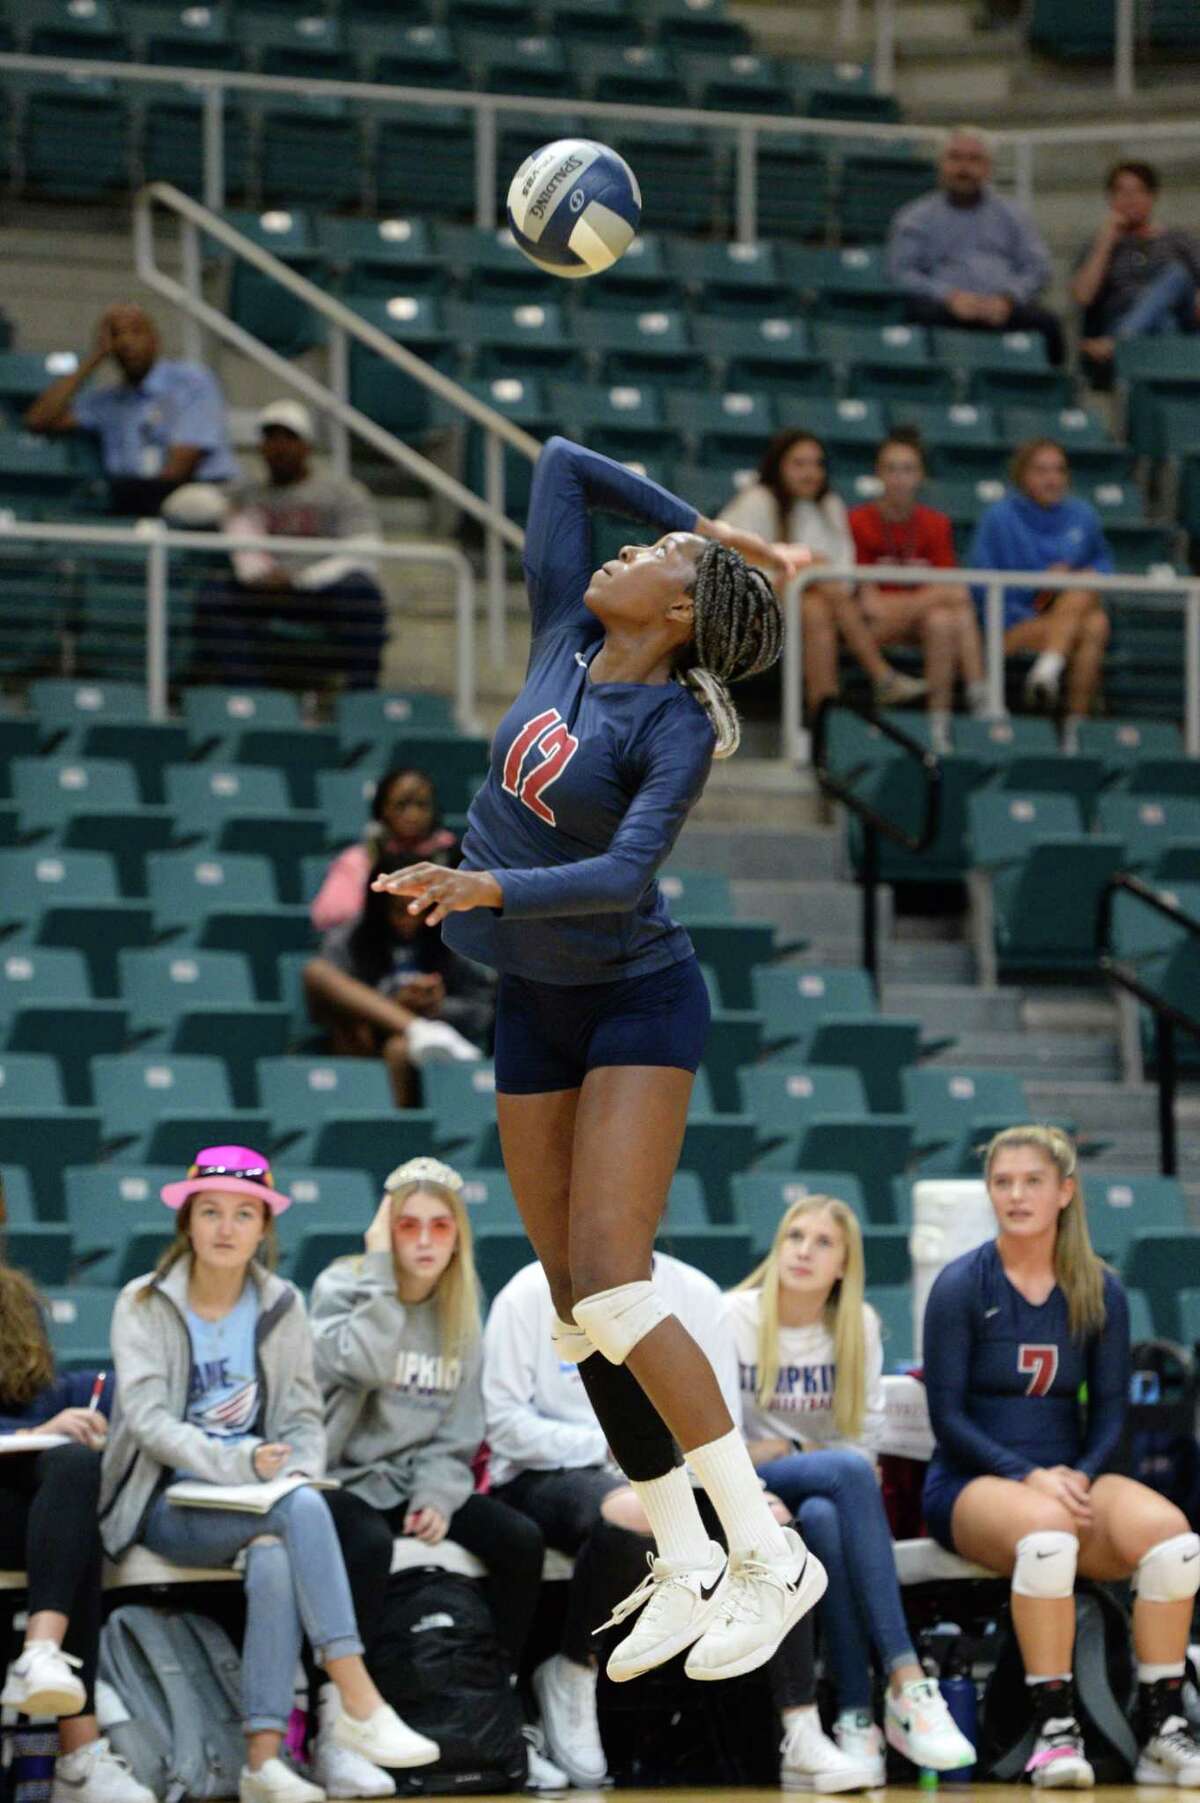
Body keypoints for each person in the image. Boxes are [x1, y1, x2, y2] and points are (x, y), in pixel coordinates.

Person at [371, 435, 826, 1691]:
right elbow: (566, 463)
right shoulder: (563, 638)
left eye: (658, 556)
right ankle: (680, 1554)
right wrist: (715, 534)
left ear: (678, 615)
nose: (624, 551)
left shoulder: (674, 725)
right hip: (535, 1000)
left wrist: (485, 882)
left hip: (635, 996)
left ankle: (767, 1553)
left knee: (621, 1287)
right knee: (576, 1307)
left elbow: (626, 876)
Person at [100, 1144, 440, 1803]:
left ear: (264, 1227)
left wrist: (299, 1470)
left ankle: (261, 1760)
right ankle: (358, 1696)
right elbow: (147, 1421)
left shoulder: (281, 1302)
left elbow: (304, 1416)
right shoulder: (141, 1302)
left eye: (243, 1214)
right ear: (187, 1222)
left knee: (278, 1551)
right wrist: (242, 1466)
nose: (226, 1227)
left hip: (258, 1496)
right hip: (166, 1500)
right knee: (298, 1514)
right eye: (211, 1211)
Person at [484, 1248, 835, 1790]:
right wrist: (606, 1447)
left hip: (669, 1464)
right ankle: (574, 1668)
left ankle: (801, 1726)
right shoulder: (525, 1292)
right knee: (634, 1509)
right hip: (547, 1471)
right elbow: (506, 1425)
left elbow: (720, 1421)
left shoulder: (696, 1291)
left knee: (776, 1515)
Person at [923, 1124, 1200, 1789]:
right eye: (1002, 1181)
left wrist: (1078, 1471)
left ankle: (1163, 1727)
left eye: (1032, 1180)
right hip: (973, 1482)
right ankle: (1055, 1728)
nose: (1015, 1194)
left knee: (1174, 1539)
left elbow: (1110, 1413)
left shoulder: (1100, 1288)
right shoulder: (961, 1285)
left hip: (1068, 1477)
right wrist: (1029, 1474)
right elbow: (948, 1419)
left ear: (1065, 1192)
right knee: (1046, 1533)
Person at [309, 1157, 564, 1793]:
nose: (424, 1241)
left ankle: (493, 1705)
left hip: (413, 1480)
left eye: (440, 1227)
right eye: (407, 1227)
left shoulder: (460, 1311)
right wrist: (378, 1273)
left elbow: (458, 1435)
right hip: (335, 1480)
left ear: (458, 1235)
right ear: (384, 1232)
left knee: (518, 1540)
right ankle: (338, 1722)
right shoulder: (342, 1287)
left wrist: (437, 1496)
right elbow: (365, 1365)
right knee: (364, 1545)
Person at [727, 1195, 975, 1786]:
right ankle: (905, 1680)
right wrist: (790, 1454)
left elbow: (862, 1440)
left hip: (815, 1489)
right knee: (847, 1475)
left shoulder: (856, 1324)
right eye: (794, 1237)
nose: (804, 1252)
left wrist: (801, 1457)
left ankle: (856, 1720)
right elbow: (720, 1441)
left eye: (822, 1243)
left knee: (825, 1519)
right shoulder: (732, 1316)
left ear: (843, 1264)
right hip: (739, 1482)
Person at [0, 1256, 152, 1803]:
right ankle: (77, 1753)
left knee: (76, 1476)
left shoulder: (15, 1298)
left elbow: (34, 1392)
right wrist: (37, 1430)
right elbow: (29, 1420)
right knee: (70, 1525)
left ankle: (43, 1654)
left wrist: (97, 1400)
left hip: (16, 1498)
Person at [719, 431, 927, 714]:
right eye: (799, 464)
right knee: (815, 580)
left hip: (818, 605)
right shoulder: (758, 500)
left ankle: (821, 719)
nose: (810, 473)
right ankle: (881, 676)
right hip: (756, 607)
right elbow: (728, 564)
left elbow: (843, 573)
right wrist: (797, 569)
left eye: (817, 464)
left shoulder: (830, 505)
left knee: (816, 607)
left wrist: (810, 573)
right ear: (779, 466)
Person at [192, 400, 386, 691]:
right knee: (214, 596)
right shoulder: (247, 492)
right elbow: (183, 505)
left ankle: (360, 697)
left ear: (307, 446)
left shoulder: (339, 491)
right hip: (262, 590)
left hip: (319, 591)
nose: (279, 447)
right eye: (271, 438)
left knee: (362, 592)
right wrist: (222, 511)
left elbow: (366, 550)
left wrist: (300, 579)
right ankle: (248, 696)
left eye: (289, 438)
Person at [304, 857, 492, 1104]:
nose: (409, 919)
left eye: (416, 909)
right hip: (365, 1036)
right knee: (315, 970)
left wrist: (438, 1006)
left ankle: (420, 1034)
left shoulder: (449, 940)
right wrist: (395, 1002)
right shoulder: (352, 938)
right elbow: (332, 999)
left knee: (400, 1049)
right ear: (379, 909)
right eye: (397, 910)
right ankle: (419, 1029)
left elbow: (484, 1008)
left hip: (437, 1040)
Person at [24, 302, 238, 514]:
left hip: (193, 490)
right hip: (130, 497)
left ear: (155, 340)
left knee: (196, 504)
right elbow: (38, 420)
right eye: (116, 335)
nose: (126, 342)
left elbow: (179, 469)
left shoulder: (190, 382)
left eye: (136, 332)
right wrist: (94, 358)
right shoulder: (106, 401)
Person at [849, 430, 988, 747]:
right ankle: (979, 690)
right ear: (879, 473)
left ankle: (938, 724)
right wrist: (930, 597)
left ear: (921, 475)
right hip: (873, 632)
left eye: (908, 469)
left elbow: (956, 593)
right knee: (946, 609)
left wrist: (912, 602)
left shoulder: (936, 524)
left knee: (943, 620)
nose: (899, 479)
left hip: (924, 626)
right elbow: (871, 607)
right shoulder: (857, 521)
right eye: (891, 469)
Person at [967, 439, 1113, 737]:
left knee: (1095, 621)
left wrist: (1075, 577)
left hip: (1066, 619)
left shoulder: (1083, 515)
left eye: (1059, 470)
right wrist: (1040, 582)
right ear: (1022, 475)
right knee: (1092, 620)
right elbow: (979, 585)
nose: (1052, 479)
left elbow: (1105, 565)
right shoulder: (998, 518)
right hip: (1013, 625)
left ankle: (1056, 688)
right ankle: (1075, 724)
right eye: (1042, 470)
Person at [888, 127, 1063, 367]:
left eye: (974, 159)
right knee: (914, 316)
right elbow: (901, 273)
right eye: (956, 158)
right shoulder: (915, 217)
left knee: (1048, 324)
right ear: (941, 164)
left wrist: (1008, 298)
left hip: (1002, 309)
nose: (964, 168)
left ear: (988, 168)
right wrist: (950, 297)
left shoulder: (1013, 215)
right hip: (944, 310)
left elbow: (1038, 268)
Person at [1072, 161, 1200, 372]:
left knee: (1176, 275)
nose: (1129, 201)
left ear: (1152, 196)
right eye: (1121, 193)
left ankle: (1120, 341)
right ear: (1110, 199)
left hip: (1182, 319)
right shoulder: (1097, 245)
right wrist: (1105, 244)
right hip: (1132, 322)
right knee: (1163, 323)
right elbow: (1083, 297)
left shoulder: (1178, 240)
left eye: (1137, 192)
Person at [311, 768, 460, 935]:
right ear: (381, 809)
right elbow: (327, 916)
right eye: (401, 805)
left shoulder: (455, 857)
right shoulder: (360, 858)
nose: (412, 815)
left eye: (421, 805)